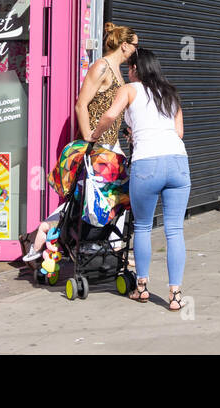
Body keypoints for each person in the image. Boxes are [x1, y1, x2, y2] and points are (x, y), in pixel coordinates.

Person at [97, 47, 190, 312]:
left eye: (130, 67)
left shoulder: (129, 89)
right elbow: (179, 132)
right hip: (177, 163)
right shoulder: (170, 93)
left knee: (144, 228)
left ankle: (142, 288)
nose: (128, 71)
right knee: (175, 231)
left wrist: (95, 134)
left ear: (136, 69)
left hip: (147, 164)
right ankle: (175, 295)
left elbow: (110, 116)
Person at [74, 22, 139, 153]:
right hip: (95, 147)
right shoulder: (102, 66)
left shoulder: (117, 71)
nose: (136, 50)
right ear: (125, 46)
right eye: (135, 46)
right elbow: (81, 104)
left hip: (109, 146)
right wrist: (88, 137)